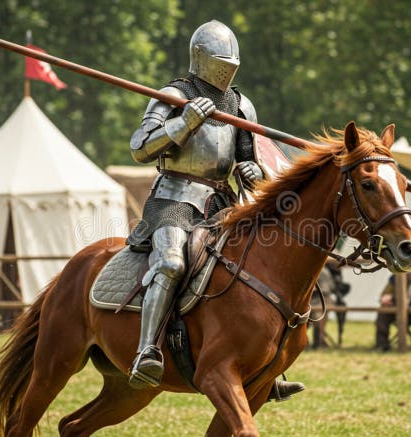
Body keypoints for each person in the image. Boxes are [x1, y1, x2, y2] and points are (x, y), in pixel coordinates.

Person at [126, 20, 304, 401]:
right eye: (219, 62)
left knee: (264, 263)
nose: (225, 71)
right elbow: (140, 147)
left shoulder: (241, 105)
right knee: (172, 262)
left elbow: (246, 157)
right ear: (200, 58)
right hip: (174, 197)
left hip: (223, 203)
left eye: (230, 64)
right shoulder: (173, 94)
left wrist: (251, 169)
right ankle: (146, 351)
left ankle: (268, 367)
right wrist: (183, 123)